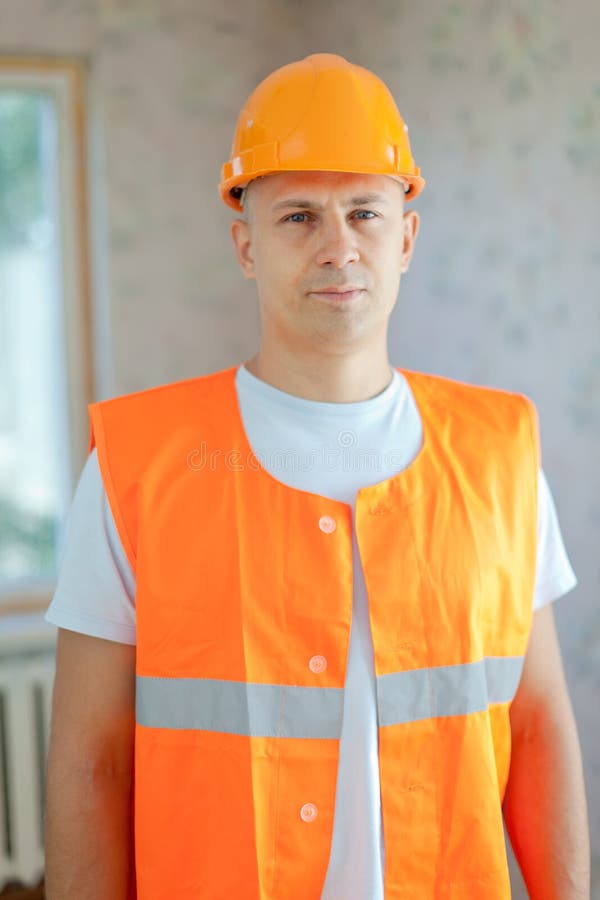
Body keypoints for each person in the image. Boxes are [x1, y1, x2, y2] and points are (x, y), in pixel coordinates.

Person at [44, 52, 590, 899]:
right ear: (246, 246)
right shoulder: (136, 465)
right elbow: (92, 762)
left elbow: (539, 726)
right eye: (298, 216)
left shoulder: (498, 455)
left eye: (364, 212)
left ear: (405, 238)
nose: (339, 247)